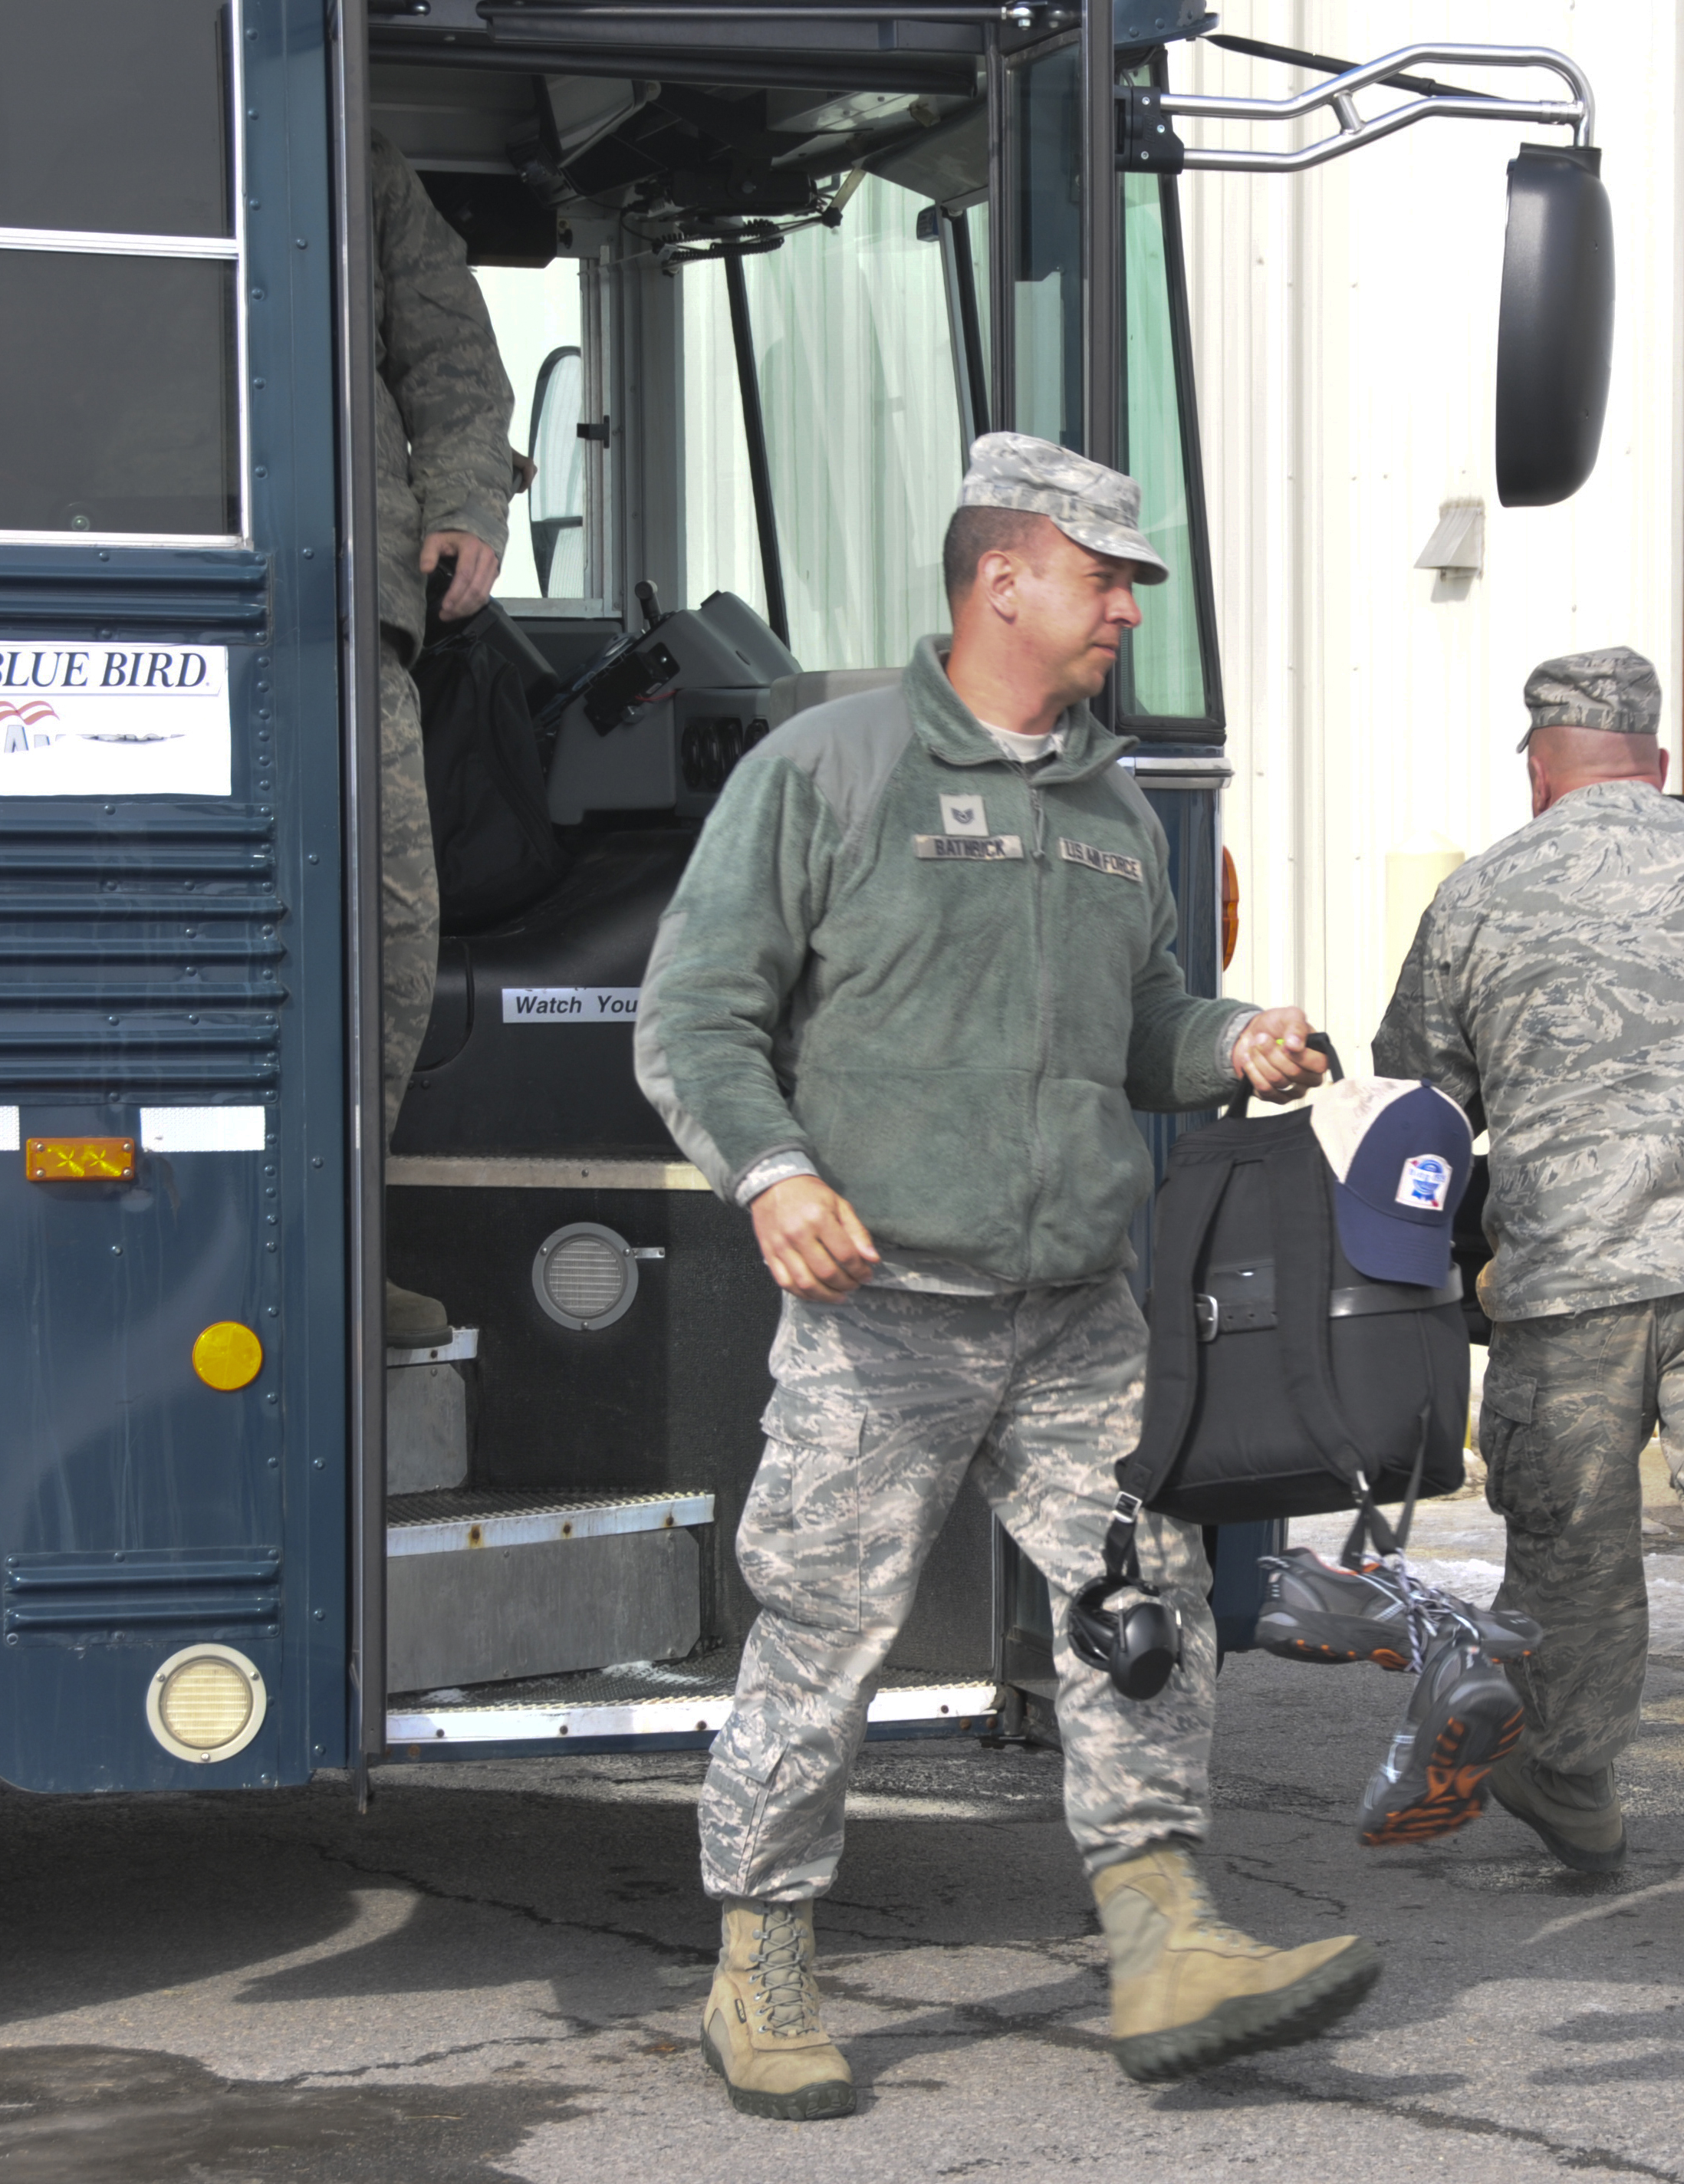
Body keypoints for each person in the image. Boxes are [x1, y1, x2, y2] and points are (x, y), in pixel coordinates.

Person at [633, 432, 1377, 2117]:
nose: (1125, 608)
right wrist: (773, 1171)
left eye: (1126, 581)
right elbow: (692, 1016)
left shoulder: (1112, 805)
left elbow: (1142, 1027)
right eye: (1105, 575)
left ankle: (1163, 1930)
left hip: (1075, 1312)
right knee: (822, 1635)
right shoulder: (833, 770)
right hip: (879, 1305)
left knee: (1150, 1613)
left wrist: (1230, 1042)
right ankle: (759, 1967)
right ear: (1003, 579)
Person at [1373, 646, 1682, 1876]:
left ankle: (1574, 1787)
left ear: (1541, 774)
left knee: (1576, 1554)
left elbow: (1418, 1112)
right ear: (1657, 763)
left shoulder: (1481, 896)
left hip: (1569, 1286)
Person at [371, 130, 516, 1347]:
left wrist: (465, 504)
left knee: (388, 932)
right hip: (109, 589)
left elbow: (453, 357)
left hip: (340, 618)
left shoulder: (347, 145)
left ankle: (337, 1249)